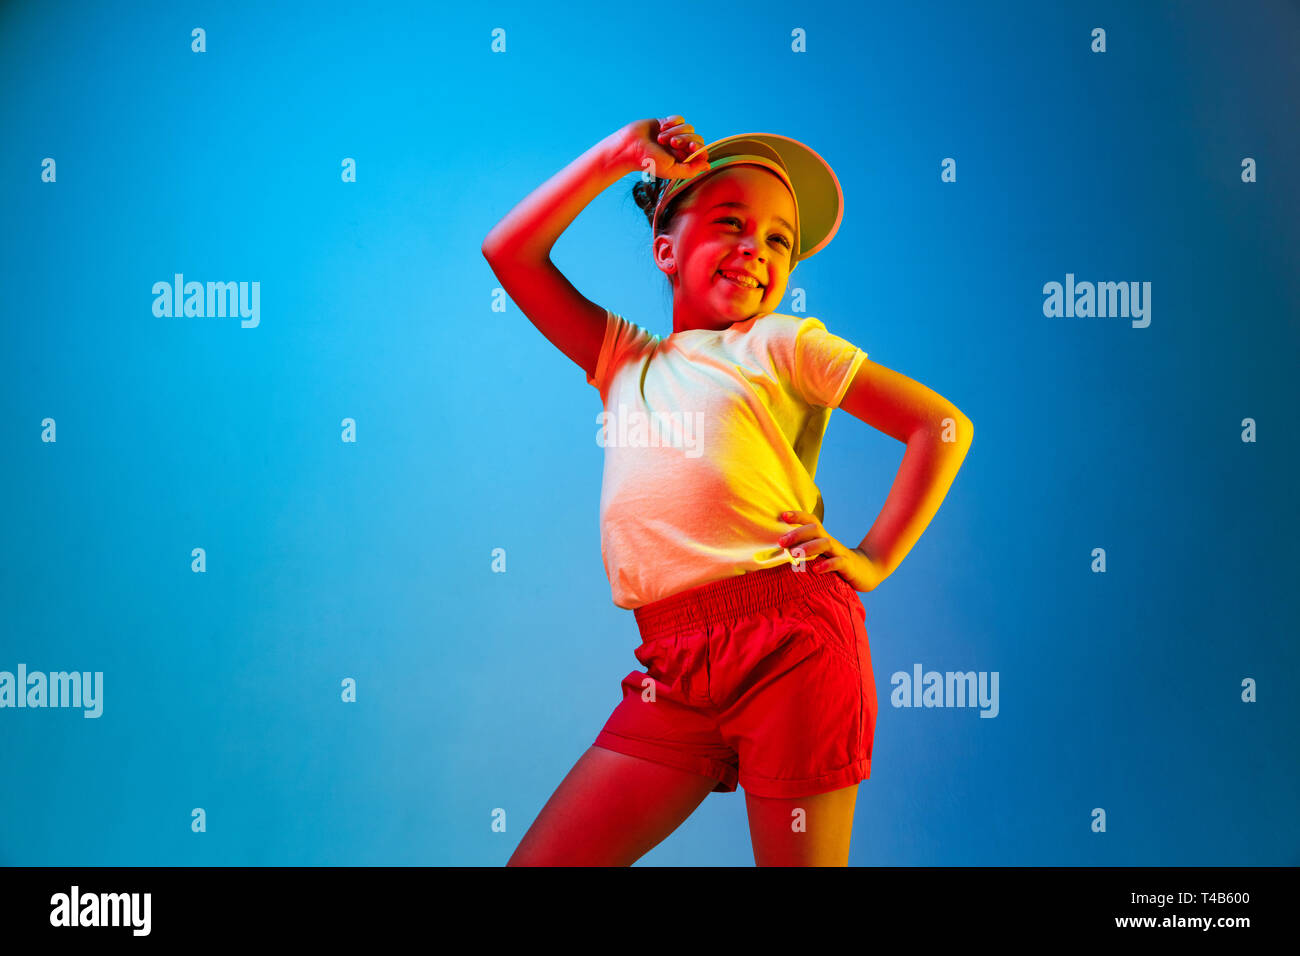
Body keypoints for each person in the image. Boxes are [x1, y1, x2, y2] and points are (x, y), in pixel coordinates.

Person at [481, 116, 973, 866]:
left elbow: (940, 426)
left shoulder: (782, 343)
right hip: (672, 667)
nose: (756, 248)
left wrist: (873, 557)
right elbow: (509, 251)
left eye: (780, 240)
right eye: (731, 223)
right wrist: (615, 158)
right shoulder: (623, 361)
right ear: (666, 250)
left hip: (793, 644)